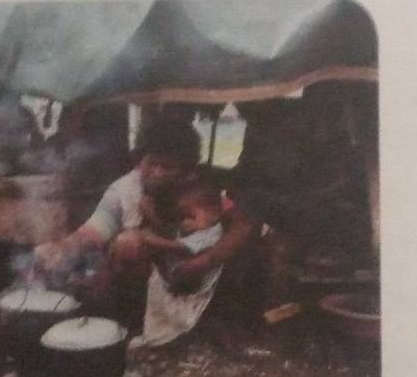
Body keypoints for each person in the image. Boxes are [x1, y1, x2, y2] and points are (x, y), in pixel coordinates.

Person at [35, 117, 256, 328]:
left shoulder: (198, 190)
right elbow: (94, 231)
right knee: (127, 243)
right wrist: (59, 248)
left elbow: (243, 225)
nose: (156, 173)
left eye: (167, 167)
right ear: (140, 160)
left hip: (194, 276)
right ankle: (132, 319)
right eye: (151, 163)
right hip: (148, 279)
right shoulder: (125, 189)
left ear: (186, 171)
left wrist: (202, 262)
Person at [131, 178, 226, 347]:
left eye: (190, 216)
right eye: (181, 217)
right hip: (174, 275)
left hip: (192, 288)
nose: (185, 222)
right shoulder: (198, 225)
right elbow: (170, 232)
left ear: (214, 214)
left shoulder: (212, 233)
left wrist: (152, 240)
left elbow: (182, 248)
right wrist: (150, 215)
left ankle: (163, 335)